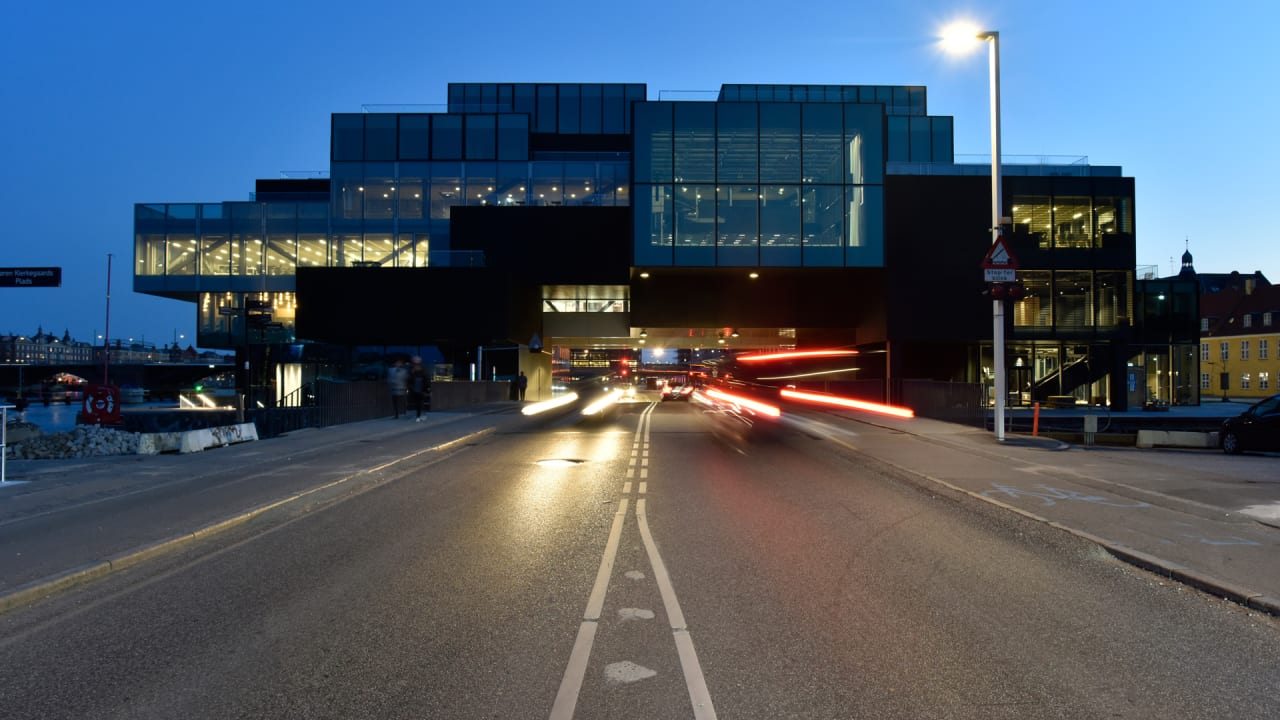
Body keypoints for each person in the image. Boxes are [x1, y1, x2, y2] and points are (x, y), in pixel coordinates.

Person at [408, 356, 430, 421]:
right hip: (414, 388)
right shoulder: (412, 369)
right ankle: (419, 415)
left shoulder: (423, 369)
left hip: (421, 388)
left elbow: (426, 379)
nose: (415, 363)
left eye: (417, 361)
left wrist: (427, 389)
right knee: (417, 402)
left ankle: (419, 415)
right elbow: (409, 379)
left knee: (420, 402)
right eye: (415, 362)